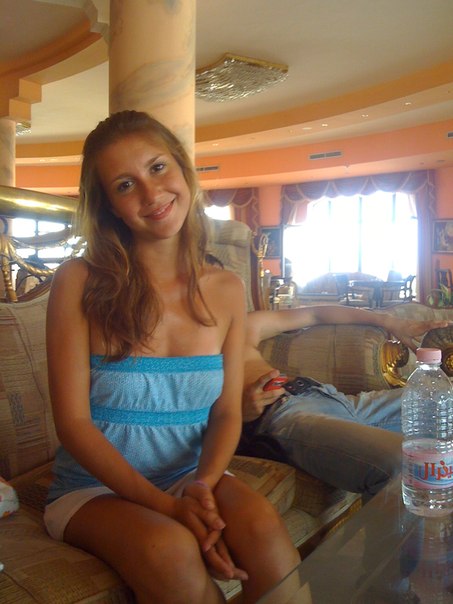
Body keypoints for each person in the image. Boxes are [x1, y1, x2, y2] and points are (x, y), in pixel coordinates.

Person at [44, 110, 299, 604]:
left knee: (262, 526)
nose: (150, 192)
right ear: (110, 205)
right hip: (92, 489)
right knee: (171, 549)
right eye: (125, 185)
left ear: (183, 168)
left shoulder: (226, 288)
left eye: (158, 167)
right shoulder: (78, 281)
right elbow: (73, 424)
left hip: (190, 476)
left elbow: (226, 413)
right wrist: (166, 508)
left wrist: (202, 486)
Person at [240, 305, 449, 500]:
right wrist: (241, 414)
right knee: (410, 465)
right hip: (285, 415)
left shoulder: (239, 328)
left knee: (445, 400)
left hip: (329, 397)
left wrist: (391, 322)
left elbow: (315, 314)